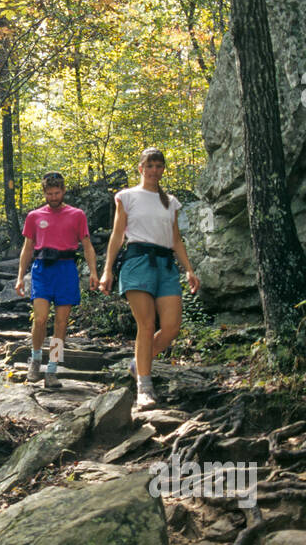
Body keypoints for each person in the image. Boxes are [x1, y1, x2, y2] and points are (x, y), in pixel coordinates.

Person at [98, 148, 200, 408]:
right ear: (141, 168)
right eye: (150, 165)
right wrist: (107, 270)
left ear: (163, 169)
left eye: (159, 166)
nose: (155, 170)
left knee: (171, 327)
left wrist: (188, 269)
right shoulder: (127, 196)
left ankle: (137, 364)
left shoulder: (171, 202)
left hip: (165, 265)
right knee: (146, 323)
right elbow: (118, 235)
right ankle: (144, 387)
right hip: (137, 262)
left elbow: (176, 239)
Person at [15, 172, 98, 389]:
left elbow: (87, 245)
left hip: (66, 270)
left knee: (61, 323)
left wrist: (93, 272)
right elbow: (27, 247)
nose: (53, 197)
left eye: (57, 193)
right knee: (40, 318)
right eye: (50, 193)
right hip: (42, 269)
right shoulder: (34, 216)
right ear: (44, 193)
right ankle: (35, 360)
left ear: (63, 191)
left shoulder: (77, 215)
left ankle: (52, 368)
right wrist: (20, 276)